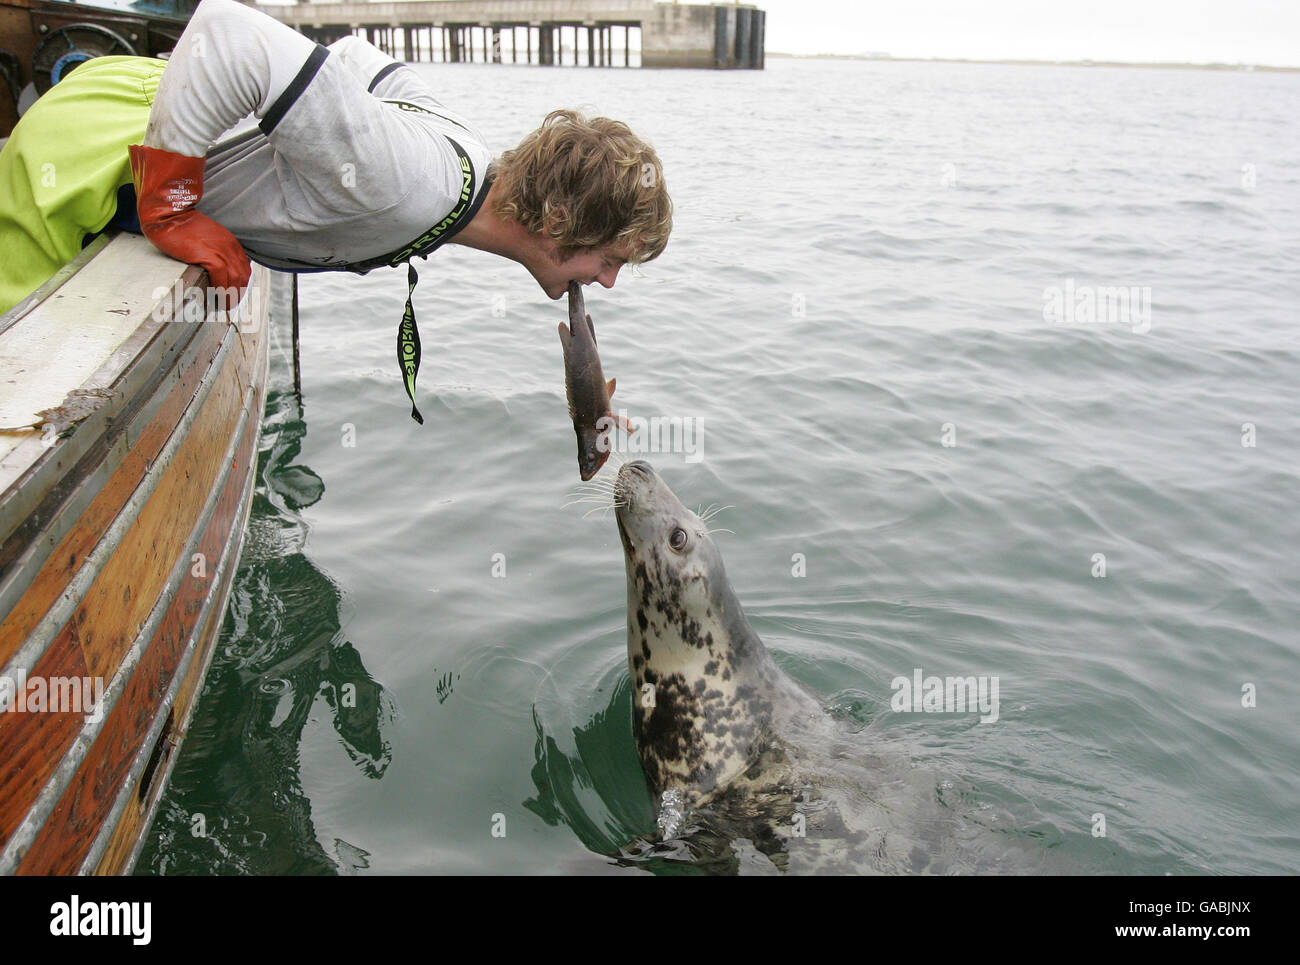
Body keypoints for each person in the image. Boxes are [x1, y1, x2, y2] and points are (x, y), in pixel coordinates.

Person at [0, 0, 671, 418]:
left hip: (112, 102)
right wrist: (170, 208)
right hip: (83, 154)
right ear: (560, 222)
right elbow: (226, 35)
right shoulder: (405, 181)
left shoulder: (462, 157)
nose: (608, 281)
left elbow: (350, 54)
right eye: (610, 259)